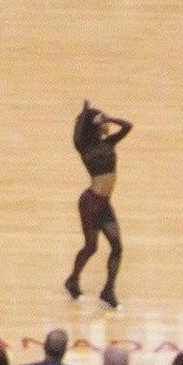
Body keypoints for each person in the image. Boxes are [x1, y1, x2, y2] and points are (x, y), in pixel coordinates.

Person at [66, 101, 132, 306]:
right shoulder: (84, 147)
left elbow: (128, 126)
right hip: (91, 203)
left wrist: (108, 117)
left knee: (117, 247)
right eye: (102, 122)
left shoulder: (109, 142)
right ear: (94, 126)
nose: (107, 125)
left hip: (103, 203)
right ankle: (73, 279)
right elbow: (78, 132)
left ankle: (108, 290)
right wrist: (87, 116)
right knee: (91, 246)